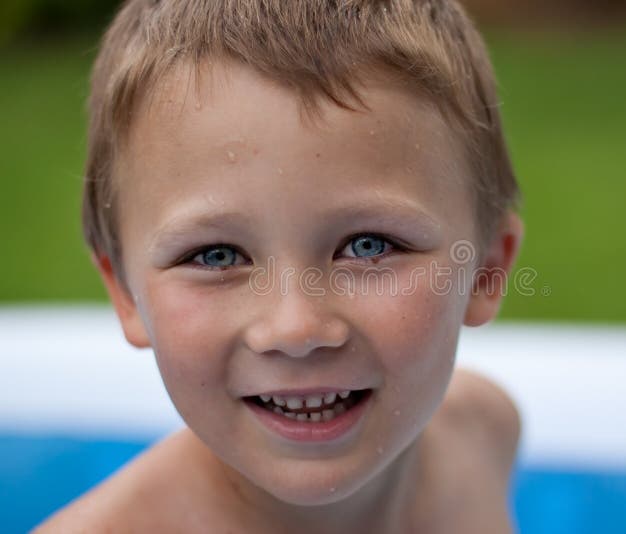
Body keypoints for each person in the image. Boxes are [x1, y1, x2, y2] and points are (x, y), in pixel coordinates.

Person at [35, 1, 524, 532]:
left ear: (485, 271)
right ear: (126, 294)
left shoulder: (482, 431)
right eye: (215, 256)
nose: (296, 329)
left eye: (367, 245)